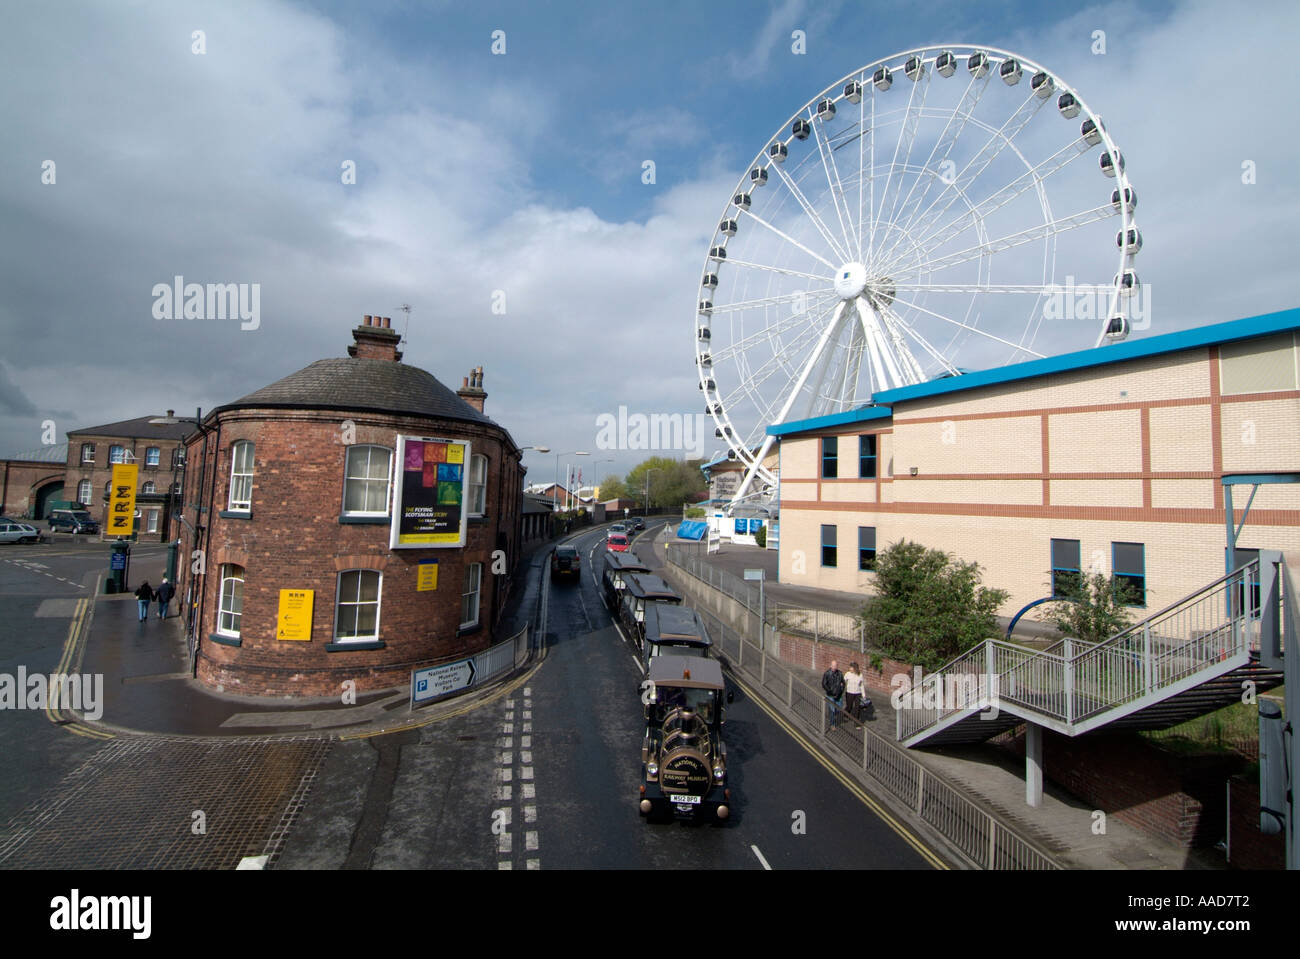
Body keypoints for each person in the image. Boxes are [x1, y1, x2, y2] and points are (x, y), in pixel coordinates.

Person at [821, 659, 845, 729]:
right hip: (830, 695)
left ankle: (833, 715)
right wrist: (830, 691)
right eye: (833, 665)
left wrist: (841, 689)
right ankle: (832, 724)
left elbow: (843, 683)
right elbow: (824, 684)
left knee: (838, 709)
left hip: (838, 695)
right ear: (830, 666)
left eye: (836, 666)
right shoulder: (827, 673)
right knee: (832, 710)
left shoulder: (840, 673)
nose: (834, 667)